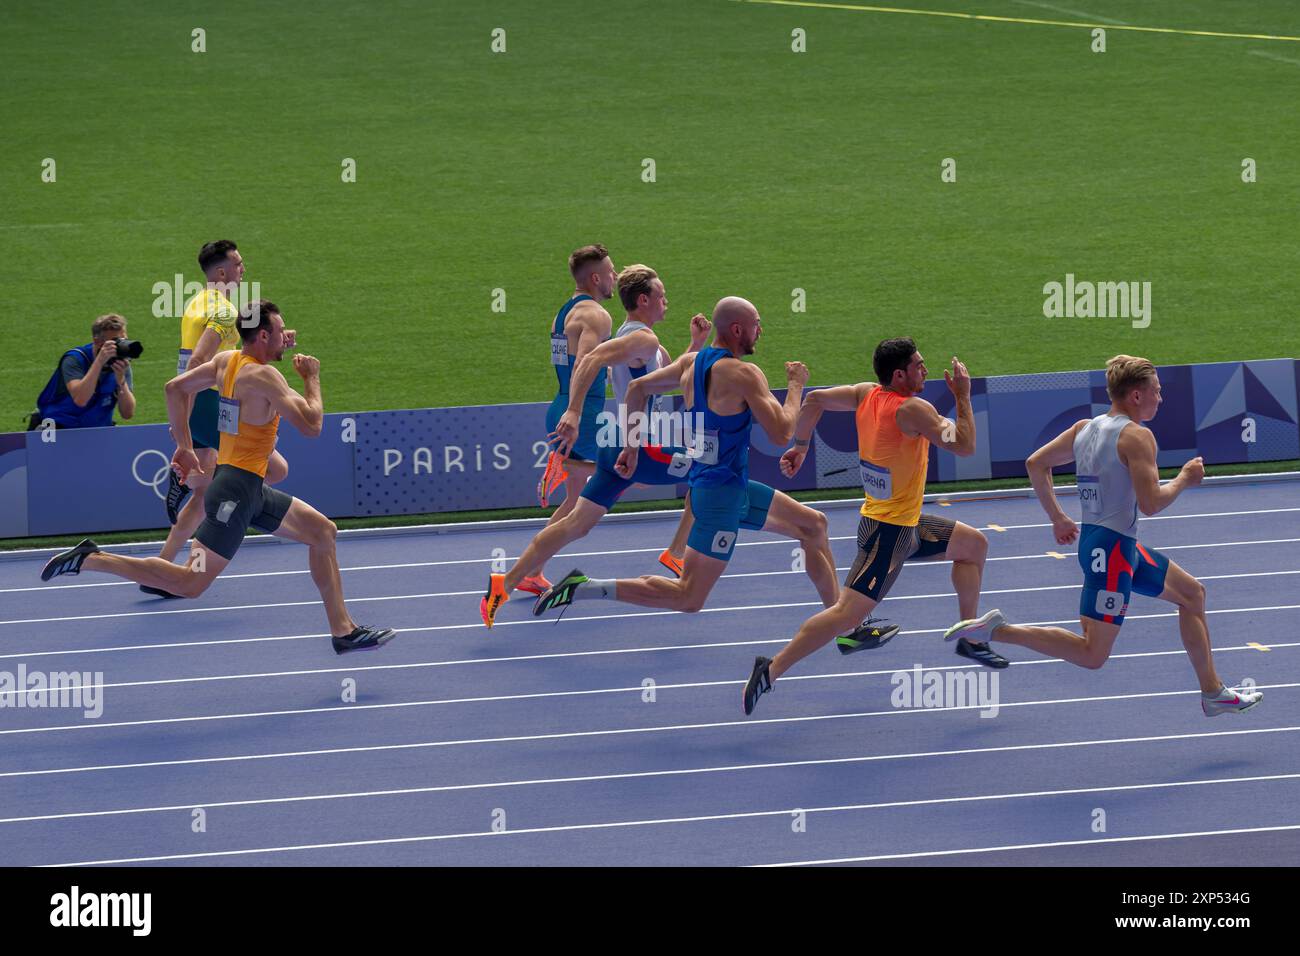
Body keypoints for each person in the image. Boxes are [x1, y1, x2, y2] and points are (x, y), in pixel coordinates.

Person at [40, 301, 393, 655]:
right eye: (280, 331)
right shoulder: (266, 377)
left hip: (248, 488)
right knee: (189, 582)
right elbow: (312, 425)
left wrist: (184, 445)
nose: (287, 337)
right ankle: (90, 558)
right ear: (264, 335)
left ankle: (342, 630)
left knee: (322, 532)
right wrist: (312, 378)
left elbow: (174, 388)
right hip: (233, 497)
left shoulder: (228, 362)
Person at [532, 297, 884, 646]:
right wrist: (796, 387)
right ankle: (586, 589)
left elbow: (638, 389)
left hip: (723, 485)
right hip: (720, 499)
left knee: (814, 525)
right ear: (737, 329)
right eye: (756, 324)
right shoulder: (743, 374)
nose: (760, 331)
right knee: (688, 597)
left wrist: (631, 447)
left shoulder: (691, 362)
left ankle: (845, 628)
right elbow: (780, 434)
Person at [942, 354, 1263, 717]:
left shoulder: (1084, 428)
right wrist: (1185, 479)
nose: (1161, 398)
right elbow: (1152, 503)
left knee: (1192, 594)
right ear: (1136, 396)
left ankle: (1212, 691)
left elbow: (1036, 464)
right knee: (1092, 654)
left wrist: (1058, 517)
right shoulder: (1138, 437)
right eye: (1156, 391)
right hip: (1112, 554)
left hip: (1108, 543)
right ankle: (997, 631)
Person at [742, 338, 1006, 715]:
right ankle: (771, 669)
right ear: (899, 375)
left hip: (904, 524)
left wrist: (801, 446)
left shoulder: (866, 393)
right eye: (918, 365)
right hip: (888, 535)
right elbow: (964, 445)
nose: (925, 369)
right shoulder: (913, 410)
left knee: (974, 546)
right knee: (845, 616)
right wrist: (963, 395)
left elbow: (814, 401)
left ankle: (969, 635)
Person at [481, 264, 710, 626]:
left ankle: (504, 583)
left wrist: (696, 346)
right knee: (710, 471)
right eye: (662, 296)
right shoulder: (642, 340)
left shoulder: (644, 341)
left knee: (576, 524)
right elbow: (592, 358)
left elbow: (663, 382)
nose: (667, 302)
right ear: (644, 300)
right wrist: (573, 411)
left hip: (615, 445)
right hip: (638, 448)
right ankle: (677, 553)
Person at [153, 241, 291, 598]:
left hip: (203, 407)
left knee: (207, 494)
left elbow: (200, 361)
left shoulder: (197, 302)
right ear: (221, 272)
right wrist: (184, 422)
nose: (244, 269)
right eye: (239, 264)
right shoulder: (225, 312)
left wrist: (182, 423)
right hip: (212, 406)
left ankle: (164, 566)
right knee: (272, 471)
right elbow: (197, 363)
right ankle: (190, 550)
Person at [32, 314, 136, 428]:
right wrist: (100, 362)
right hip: (59, 430)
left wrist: (121, 379)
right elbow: (80, 400)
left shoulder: (120, 364)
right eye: (115, 341)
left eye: (124, 340)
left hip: (97, 432)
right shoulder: (74, 360)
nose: (121, 346)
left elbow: (127, 413)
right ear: (97, 341)